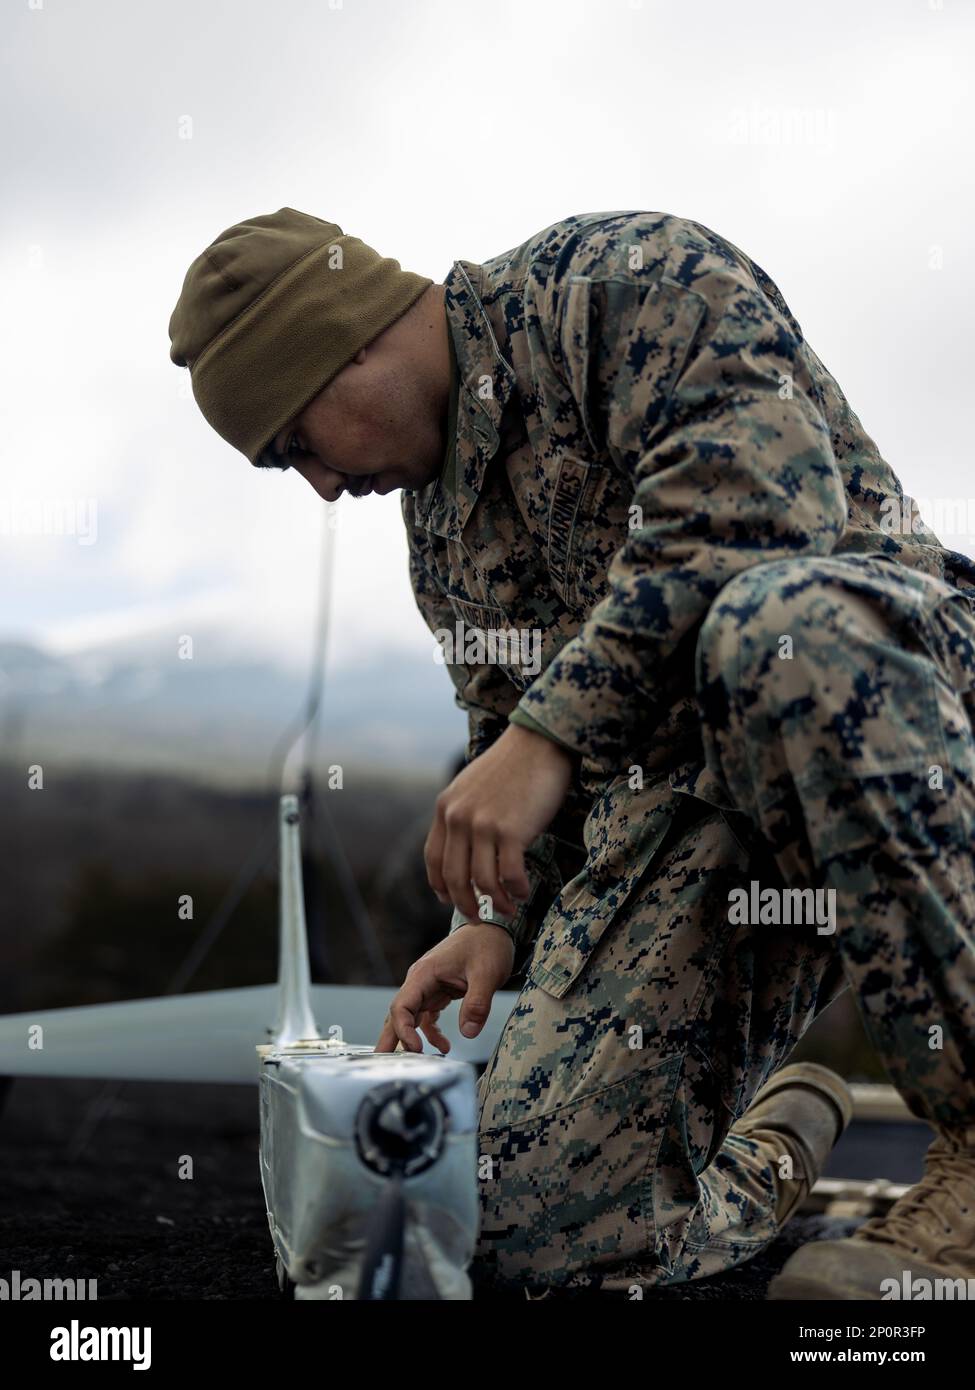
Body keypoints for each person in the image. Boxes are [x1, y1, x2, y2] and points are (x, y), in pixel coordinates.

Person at [169, 206, 975, 1299]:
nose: (316, 485)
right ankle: (778, 1149)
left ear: (346, 341)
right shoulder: (442, 522)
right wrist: (491, 917)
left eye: (298, 442)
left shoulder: (626, 285)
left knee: (778, 633)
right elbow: (507, 739)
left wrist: (551, 732)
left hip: (891, 717)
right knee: (503, 1226)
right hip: (704, 814)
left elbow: (760, 515)